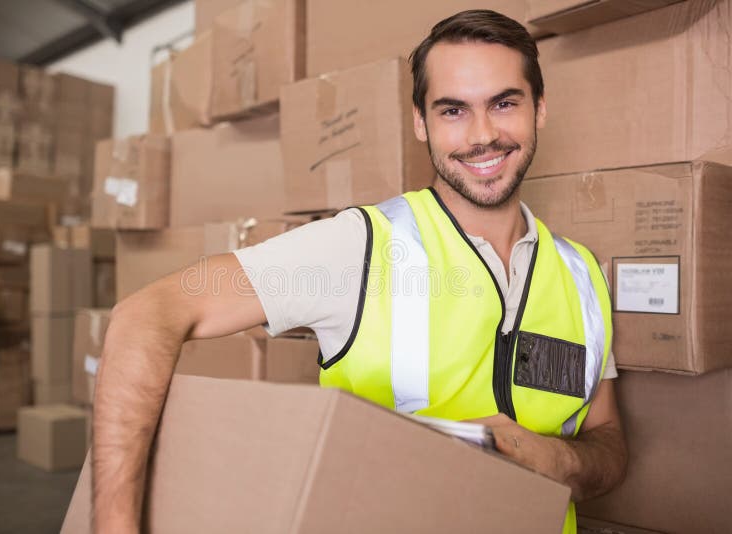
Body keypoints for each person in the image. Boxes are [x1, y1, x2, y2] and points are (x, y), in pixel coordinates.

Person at [92, 9, 627, 534]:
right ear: (420, 122)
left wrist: (554, 458)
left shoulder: (581, 278)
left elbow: (608, 444)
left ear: (540, 108)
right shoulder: (358, 248)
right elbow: (147, 313)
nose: (482, 134)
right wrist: (115, 522)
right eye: (453, 111)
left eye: (504, 103)